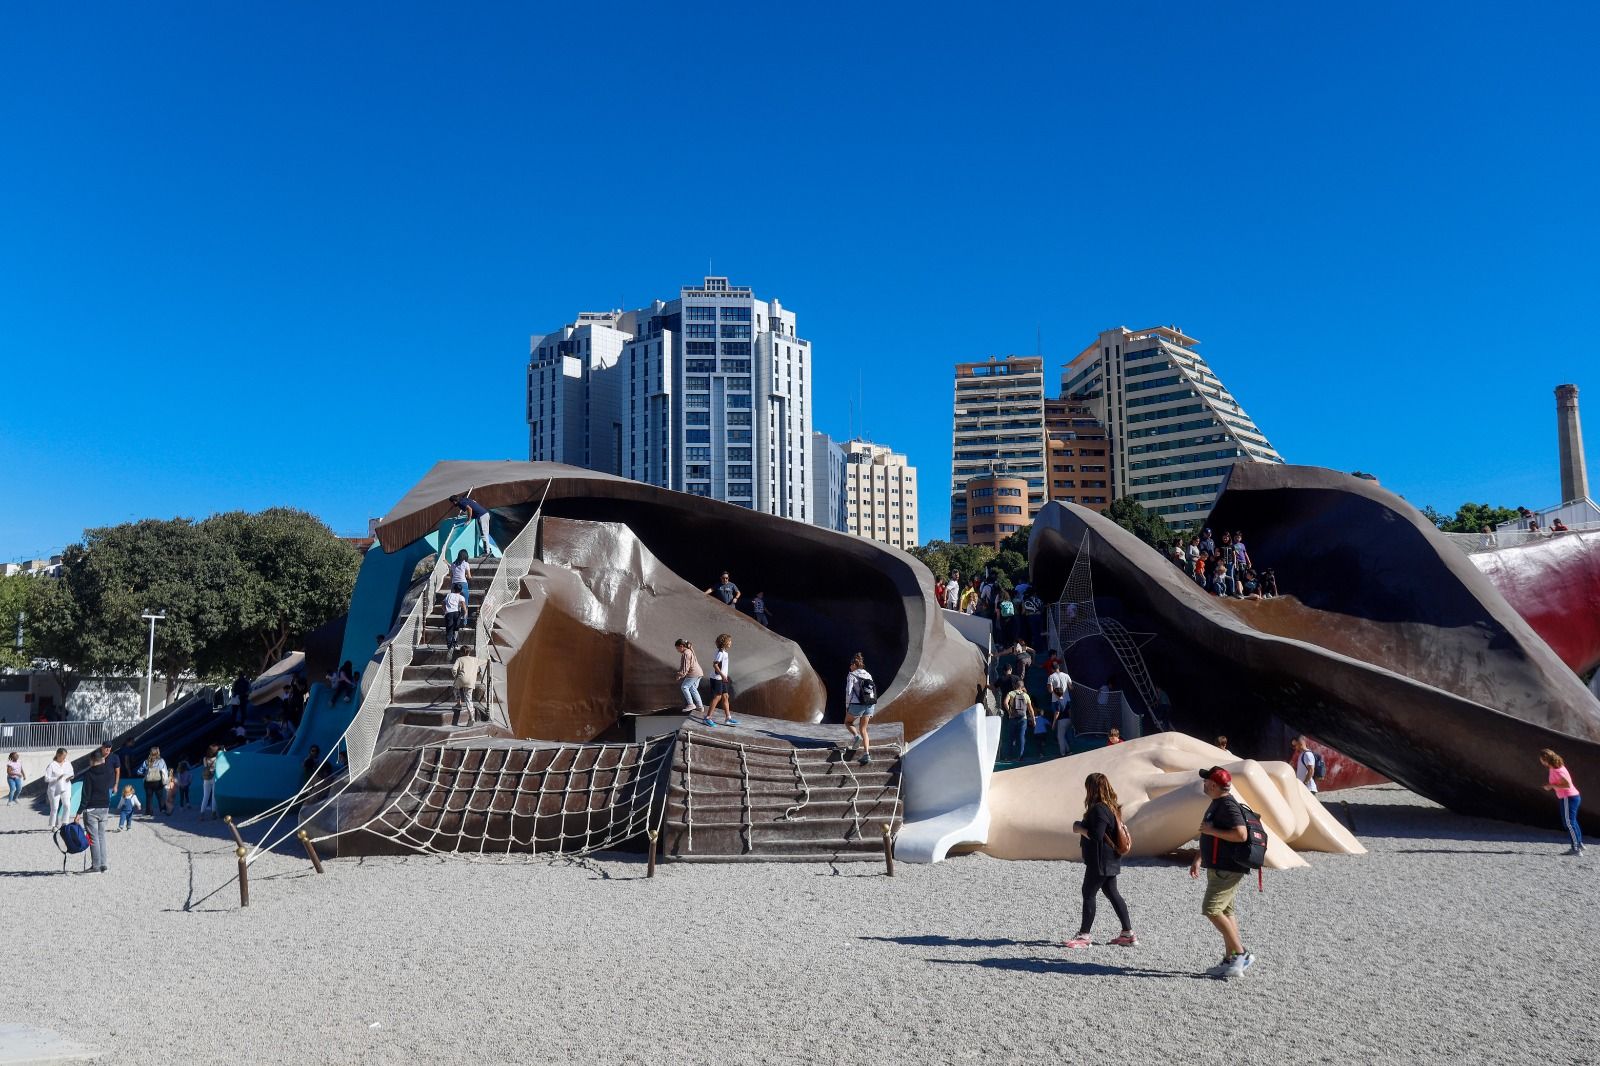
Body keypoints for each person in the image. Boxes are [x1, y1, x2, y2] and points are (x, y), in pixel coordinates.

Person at [1189, 767, 1254, 979]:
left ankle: (1241, 954)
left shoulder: (1227, 805)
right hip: (1219, 867)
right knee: (1226, 911)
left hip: (1227, 868)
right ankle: (1230, 960)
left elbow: (1241, 834)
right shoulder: (1217, 803)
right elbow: (1208, 833)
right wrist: (1199, 858)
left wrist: (1211, 831)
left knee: (1211, 909)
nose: (1204, 783)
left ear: (1215, 785)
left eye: (1207, 781)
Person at [1064, 772, 1137, 948]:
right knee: (1112, 893)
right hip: (1110, 858)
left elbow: (1096, 836)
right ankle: (1128, 934)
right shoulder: (1111, 807)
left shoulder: (1099, 809)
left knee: (1088, 893)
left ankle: (1084, 936)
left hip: (1100, 860)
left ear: (1092, 789)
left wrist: (1078, 828)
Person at [1540, 749, 1584, 855]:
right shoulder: (1555, 768)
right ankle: (1579, 844)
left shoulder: (1557, 770)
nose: (1540, 760)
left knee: (1569, 823)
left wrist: (1551, 786)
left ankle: (1576, 849)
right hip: (1571, 797)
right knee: (1572, 822)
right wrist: (1551, 786)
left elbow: (1567, 785)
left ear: (1545, 759)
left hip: (1568, 797)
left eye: (1541, 759)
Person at [77, 750, 115, 872]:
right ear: (102, 759)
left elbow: (86, 795)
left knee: (93, 838)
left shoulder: (89, 774)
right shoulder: (109, 771)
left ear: (92, 760)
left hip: (91, 808)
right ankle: (104, 864)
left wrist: (78, 812)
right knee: (102, 837)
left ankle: (96, 865)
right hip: (105, 807)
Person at [844, 653, 878, 766]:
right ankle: (866, 754)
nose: (850, 667)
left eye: (851, 665)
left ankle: (856, 736)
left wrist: (847, 706)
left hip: (856, 704)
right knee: (864, 729)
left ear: (854, 664)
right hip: (869, 704)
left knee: (848, 722)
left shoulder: (852, 675)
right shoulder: (868, 675)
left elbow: (849, 692)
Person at [706, 633, 738, 727]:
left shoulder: (724, 653)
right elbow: (715, 665)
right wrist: (723, 675)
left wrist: (724, 676)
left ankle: (728, 718)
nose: (731, 643)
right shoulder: (720, 653)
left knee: (726, 696)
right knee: (718, 697)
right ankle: (707, 718)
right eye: (729, 641)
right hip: (717, 678)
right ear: (725, 642)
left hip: (722, 678)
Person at [1003, 683, 1035, 762]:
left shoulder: (1011, 693)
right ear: (1022, 687)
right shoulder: (1026, 695)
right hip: (1023, 719)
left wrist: (1009, 711)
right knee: (1021, 737)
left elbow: (1005, 703)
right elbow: (1030, 709)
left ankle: (1008, 757)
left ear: (1015, 686)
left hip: (1012, 718)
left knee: (1010, 737)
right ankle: (1020, 756)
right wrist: (1033, 719)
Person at [1047, 660, 1073, 756]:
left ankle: (1063, 753)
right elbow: (1071, 687)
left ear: (1052, 669)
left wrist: (1053, 724)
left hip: (1056, 701)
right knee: (1065, 733)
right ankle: (1068, 749)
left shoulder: (1051, 677)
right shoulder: (1066, 675)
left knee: (1060, 735)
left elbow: (1050, 690)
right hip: (1067, 700)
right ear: (1059, 667)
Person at [44, 748, 74, 828]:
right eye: (63, 756)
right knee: (55, 807)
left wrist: (70, 777)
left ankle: (65, 823)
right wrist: (56, 778)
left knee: (67, 805)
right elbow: (46, 778)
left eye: (65, 756)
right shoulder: (52, 765)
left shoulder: (68, 763)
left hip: (66, 786)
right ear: (58, 755)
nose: (64, 758)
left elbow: (71, 773)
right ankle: (54, 825)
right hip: (54, 789)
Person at [674, 639, 705, 714]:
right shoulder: (690, 650)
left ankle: (691, 704)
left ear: (681, 646)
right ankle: (700, 707)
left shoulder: (686, 653)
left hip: (693, 673)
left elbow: (685, 668)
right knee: (693, 689)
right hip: (699, 672)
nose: (677, 650)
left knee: (684, 687)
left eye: (677, 648)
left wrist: (680, 675)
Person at [451, 649, 480, 724]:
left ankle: (458, 704)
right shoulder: (475, 659)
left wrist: (455, 676)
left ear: (461, 652)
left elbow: (454, 669)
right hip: (471, 681)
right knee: (468, 699)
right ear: (469, 652)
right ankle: (471, 717)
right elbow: (484, 663)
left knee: (455, 688)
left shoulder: (459, 659)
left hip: (461, 679)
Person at [139, 747, 169, 816]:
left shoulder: (146, 761)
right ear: (158, 752)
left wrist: (146, 773)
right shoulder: (161, 761)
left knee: (149, 798)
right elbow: (164, 771)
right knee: (160, 796)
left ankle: (149, 812)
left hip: (148, 782)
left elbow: (139, 771)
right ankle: (163, 809)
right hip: (157, 782)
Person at [443, 585, 467, 652]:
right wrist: (465, 613)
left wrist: (445, 610)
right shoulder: (461, 597)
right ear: (461, 590)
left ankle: (449, 645)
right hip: (457, 613)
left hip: (449, 613)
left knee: (449, 629)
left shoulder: (449, 595)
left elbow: (443, 603)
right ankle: (455, 643)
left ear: (453, 589)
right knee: (456, 629)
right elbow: (463, 605)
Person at [449, 550, 473, 617]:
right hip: (463, 584)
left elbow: (451, 576)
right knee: (465, 604)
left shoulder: (452, 564)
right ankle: (464, 622)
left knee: (454, 604)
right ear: (465, 556)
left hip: (454, 585)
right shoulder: (466, 564)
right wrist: (469, 577)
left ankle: (456, 621)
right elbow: (469, 576)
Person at [200, 745, 220, 820]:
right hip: (213, 777)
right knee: (213, 796)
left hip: (206, 778)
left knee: (205, 796)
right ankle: (213, 814)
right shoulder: (217, 758)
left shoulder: (205, 758)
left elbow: (205, 767)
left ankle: (202, 814)